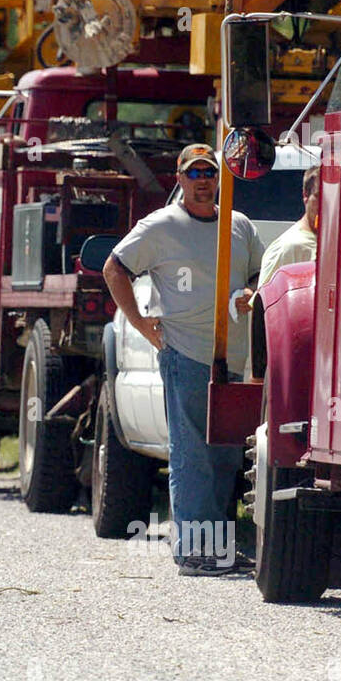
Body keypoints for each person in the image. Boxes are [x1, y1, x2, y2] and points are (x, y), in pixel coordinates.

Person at [103, 142, 265, 576]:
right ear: (179, 179)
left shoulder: (239, 226)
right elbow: (114, 268)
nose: (202, 181)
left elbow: (257, 273)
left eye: (209, 173)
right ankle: (194, 553)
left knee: (226, 456)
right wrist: (141, 324)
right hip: (186, 354)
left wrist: (250, 292)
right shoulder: (159, 226)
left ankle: (220, 549)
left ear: (219, 178)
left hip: (231, 358)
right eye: (193, 174)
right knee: (192, 455)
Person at [258, 163, 319, 289]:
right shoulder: (287, 248)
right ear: (305, 196)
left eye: (333, 196)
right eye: (319, 196)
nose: (327, 203)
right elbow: (264, 304)